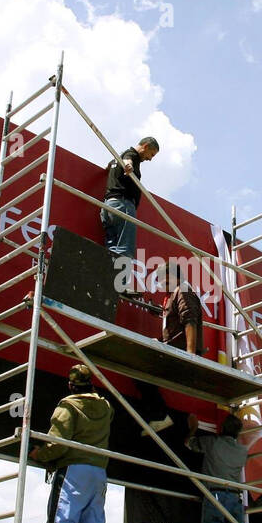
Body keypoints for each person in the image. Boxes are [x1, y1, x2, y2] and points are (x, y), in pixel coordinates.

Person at [28, 365, 113, 523]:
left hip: (73, 472)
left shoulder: (68, 406)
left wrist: (39, 454)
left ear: (71, 385)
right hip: (99, 474)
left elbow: (57, 445)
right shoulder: (106, 407)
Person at [138, 259, 203, 435]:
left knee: (141, 369)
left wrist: (190, 354)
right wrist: (159, 311)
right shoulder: (172, 295)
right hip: (173, 349)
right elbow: (174, 319)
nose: (160, 284)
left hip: (180, 352)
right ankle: (163, 416)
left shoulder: (182, 290)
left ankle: (160, 416)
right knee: (142, 370)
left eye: (163, 279)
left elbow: (190, 320)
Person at [101, 136, 159, 264]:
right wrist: (128, 166)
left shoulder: (119, 155)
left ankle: (106, 279)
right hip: (123, 205)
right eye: (151, 154)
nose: (150, 159)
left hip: (109, 205)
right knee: (124, 250)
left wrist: (109, 167)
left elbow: (111, 164)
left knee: (111, 248)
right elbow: (128, 161)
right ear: (145, 146)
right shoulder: (131, 155)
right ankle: (116, 283)